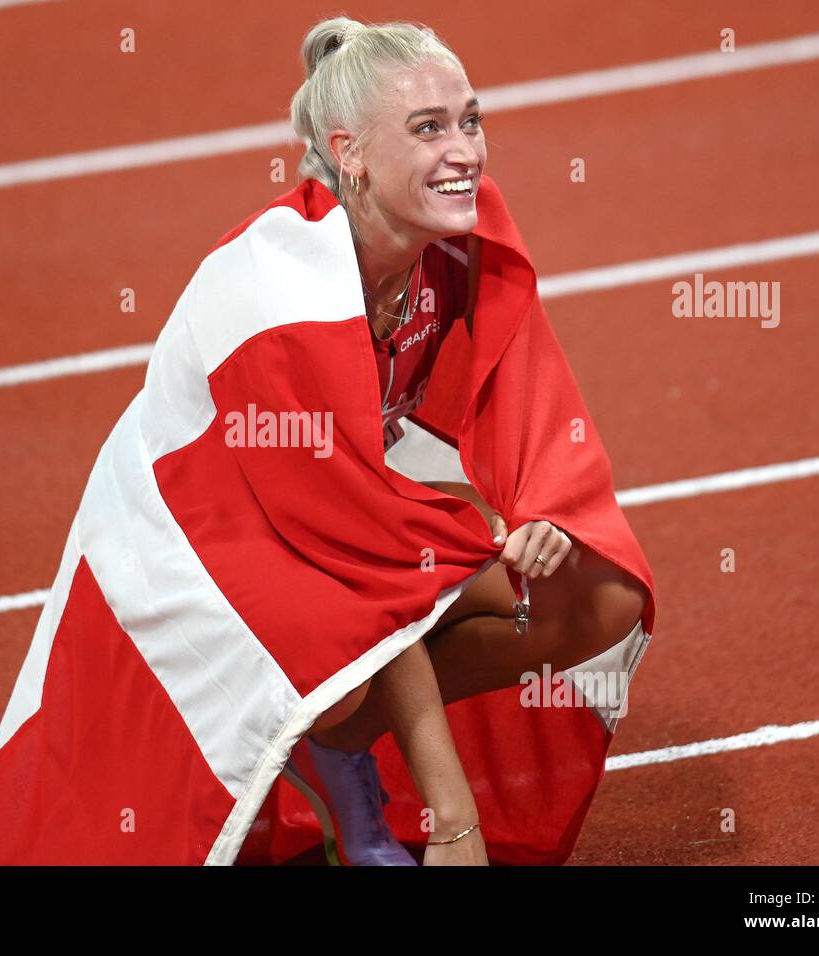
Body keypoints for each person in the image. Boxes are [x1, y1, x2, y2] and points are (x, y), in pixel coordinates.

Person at [276, 16, 649, 865]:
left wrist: (545, 509)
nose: (465, 151)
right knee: (395, 565)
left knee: (597, 594)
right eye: (428, 128)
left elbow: (535, 391)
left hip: (348, 539)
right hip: (234, 560)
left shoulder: (450, 250)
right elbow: (350, 539)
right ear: (351, 152)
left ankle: (333, 745)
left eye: (470, 120)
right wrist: (456, 817)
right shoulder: (292, 284)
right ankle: (330, 747)